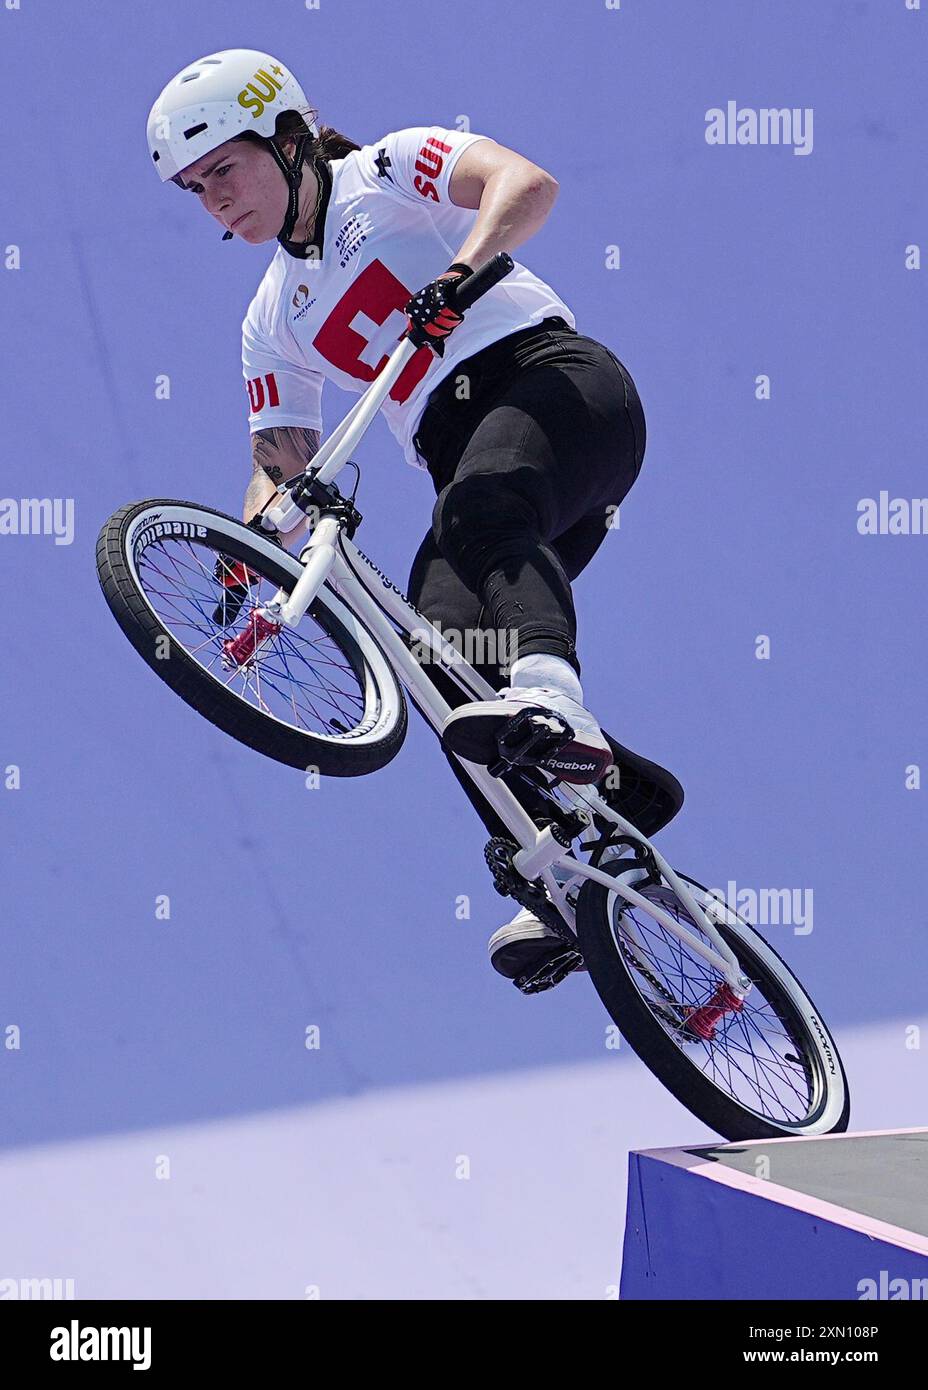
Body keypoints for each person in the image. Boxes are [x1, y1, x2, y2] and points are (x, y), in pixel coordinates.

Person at [147, 48, 683, 985]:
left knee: (480, 509)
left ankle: (558, 702)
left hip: (557, 390)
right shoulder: (271, 316)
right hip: (469, 463)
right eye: (195, 190)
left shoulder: (384, 171)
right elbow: (278, 462)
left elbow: (524, 184)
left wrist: (464, 274)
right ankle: (572, 860)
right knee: (439, 663)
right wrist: (247, 557)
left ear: (287, 136)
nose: (215, 202)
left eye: (223, 170)